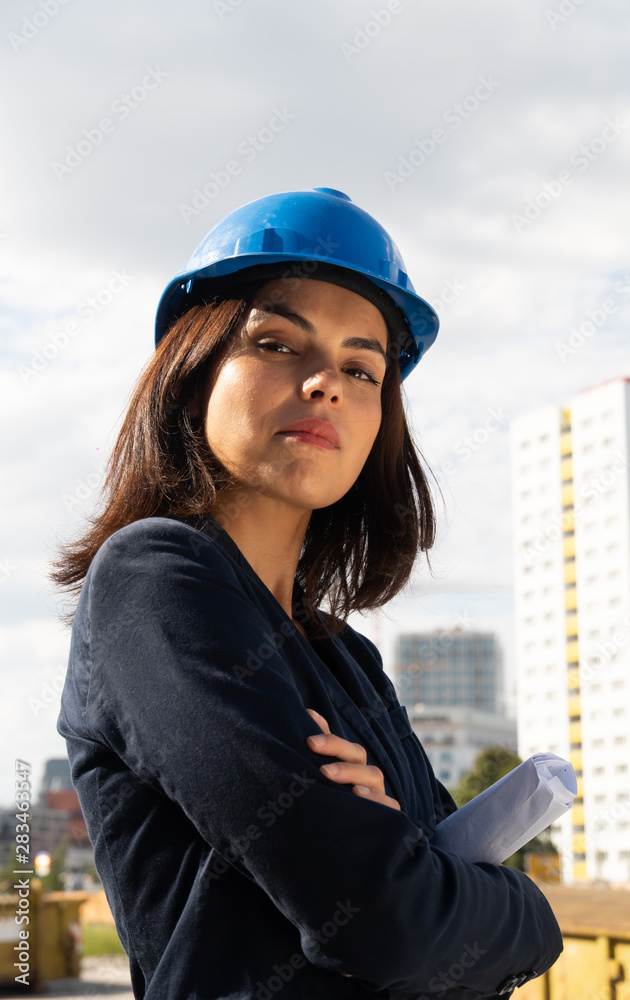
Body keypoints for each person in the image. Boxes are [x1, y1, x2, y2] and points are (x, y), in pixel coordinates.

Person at [53, 187, 563, 1000]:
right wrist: (531, 918)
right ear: (193, 372)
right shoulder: (153, 580)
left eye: (360, 368)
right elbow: (385, 920)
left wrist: (405, 859)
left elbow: (425, 895)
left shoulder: (347, 659)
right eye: (278, 344)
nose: (326, 382)